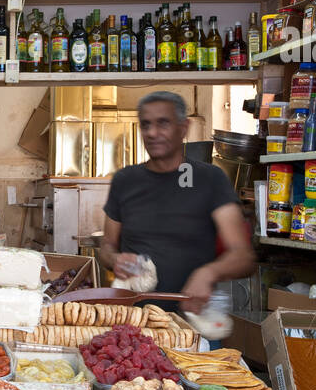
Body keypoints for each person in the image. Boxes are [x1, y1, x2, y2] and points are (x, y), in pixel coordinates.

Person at [98, 92, 255, 312]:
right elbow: (107, 246)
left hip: (192, 323)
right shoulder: (125, 180)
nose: (152, 133)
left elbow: (243, 256)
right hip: (133, 323)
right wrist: (115, 259)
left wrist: (209, 273)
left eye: (163, 123)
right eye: (145, 125)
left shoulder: (210, 179)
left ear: (184, 127)